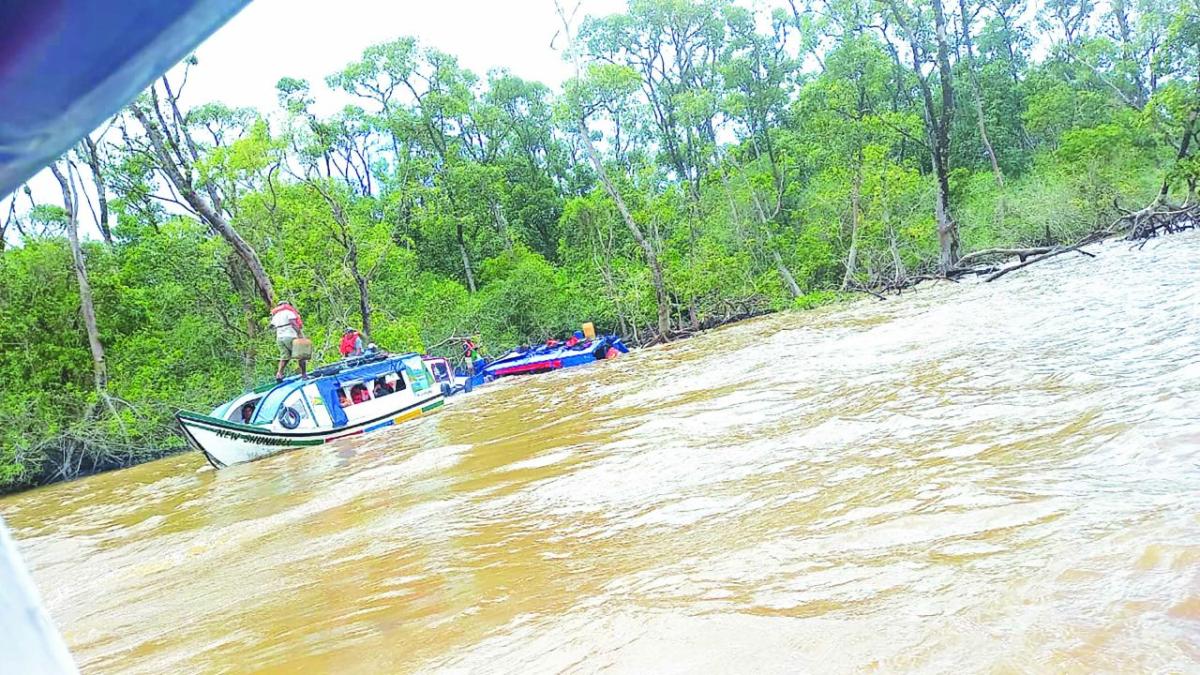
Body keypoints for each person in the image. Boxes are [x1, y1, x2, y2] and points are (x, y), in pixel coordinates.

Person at [269, 300, 307, 382]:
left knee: (285, 357)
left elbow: (271, 326)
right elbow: (293, 323)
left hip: (280, 338)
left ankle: (279, 374)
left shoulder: (276, 315)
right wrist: (299, 334)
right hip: (290, 336)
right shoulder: (288, 312)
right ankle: (304, 375)